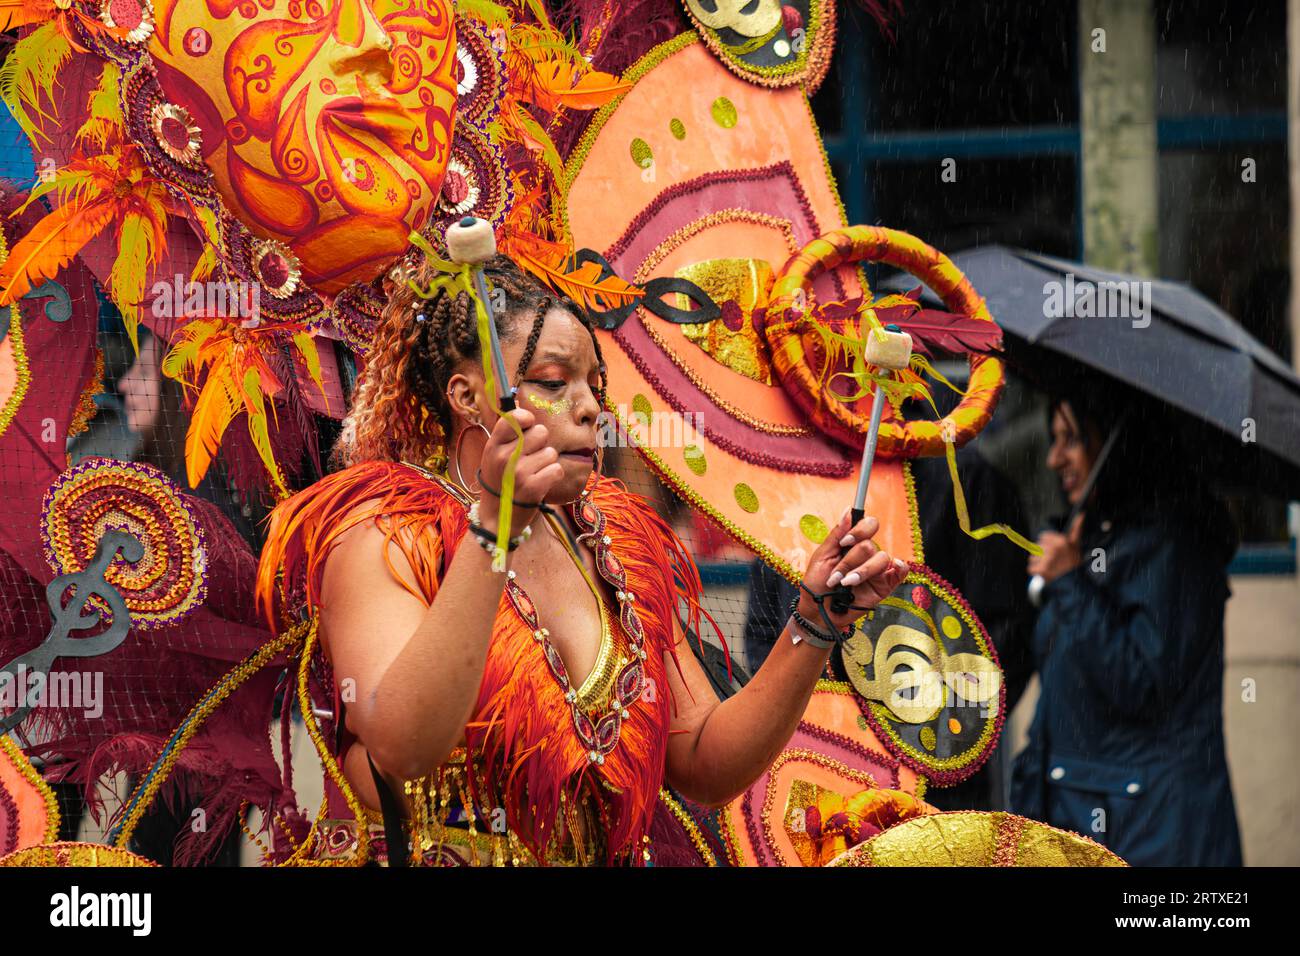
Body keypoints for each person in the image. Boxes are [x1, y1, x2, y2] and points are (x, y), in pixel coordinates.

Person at [255, 254, 909, 866]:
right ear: (465, 396)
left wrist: (813, 625)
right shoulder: (384, 533)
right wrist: (492, 530)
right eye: (551, 382)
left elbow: (705, 759)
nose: (591, 406)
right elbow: (401, 749)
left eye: (594, 384)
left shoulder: (616, 542)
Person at [1009, 392, 1243, 865]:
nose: (1055, 458)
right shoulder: (1090, 540)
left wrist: (1073, 582)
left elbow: (1142, 683)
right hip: (1088, 824)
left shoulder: (1175, 548)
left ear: (1120, 443)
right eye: (1054, 441)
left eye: (1072, 439)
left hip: (1154, 833)